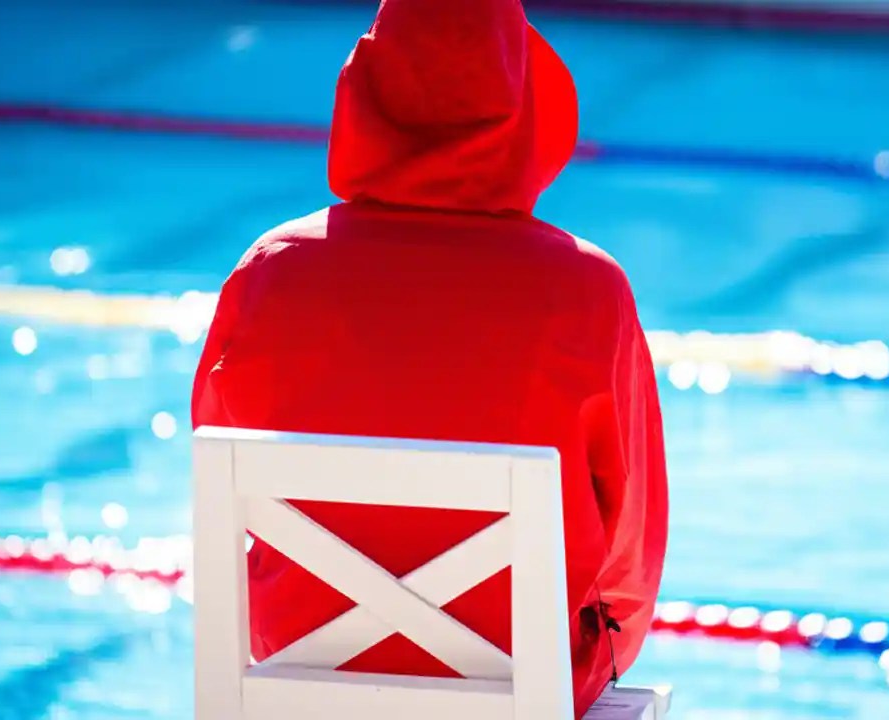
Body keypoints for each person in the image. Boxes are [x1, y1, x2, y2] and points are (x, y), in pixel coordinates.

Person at [190, 0, 668, 715]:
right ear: (526, 106)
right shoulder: (589, 292)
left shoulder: (271, 271)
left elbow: (223, 483)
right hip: (528, 688)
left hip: (299, 670)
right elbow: (630, 559)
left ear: (363, 95)